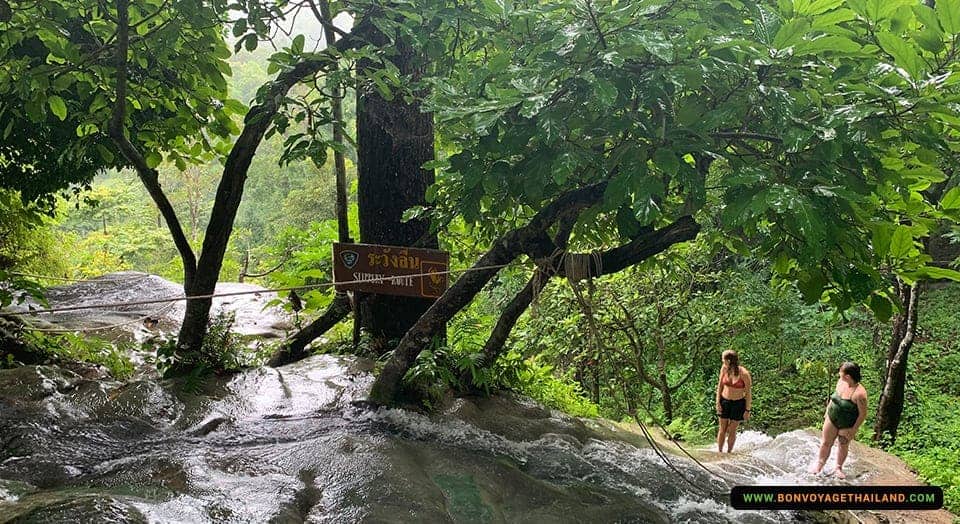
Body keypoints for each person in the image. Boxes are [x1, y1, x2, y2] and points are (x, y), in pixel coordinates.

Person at [808, 362, 868, 479]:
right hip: (832, 416)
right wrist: (826, 412)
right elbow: (833, 398)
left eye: (841, 372)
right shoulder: (841, 382)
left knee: (843, 444)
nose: (839, 373)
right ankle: (819, 465)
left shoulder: (860, 394)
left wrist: (854, 429)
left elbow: (862, 414)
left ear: (848, 376)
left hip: (847, 423)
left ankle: (838, 467)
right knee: (826, 442)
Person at [716, 349, 752, 453]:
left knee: (732, 430)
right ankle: (719, 451)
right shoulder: (724, 369)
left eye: (723, 360)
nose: (722, 362)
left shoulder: (744, 374)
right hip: (725, 401)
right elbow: (720, 386)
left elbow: (748, 393)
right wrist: (718, 402)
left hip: (738, 403)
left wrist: (747, 410)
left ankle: (729, 452)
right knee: (722, 429)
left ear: (729, 361)